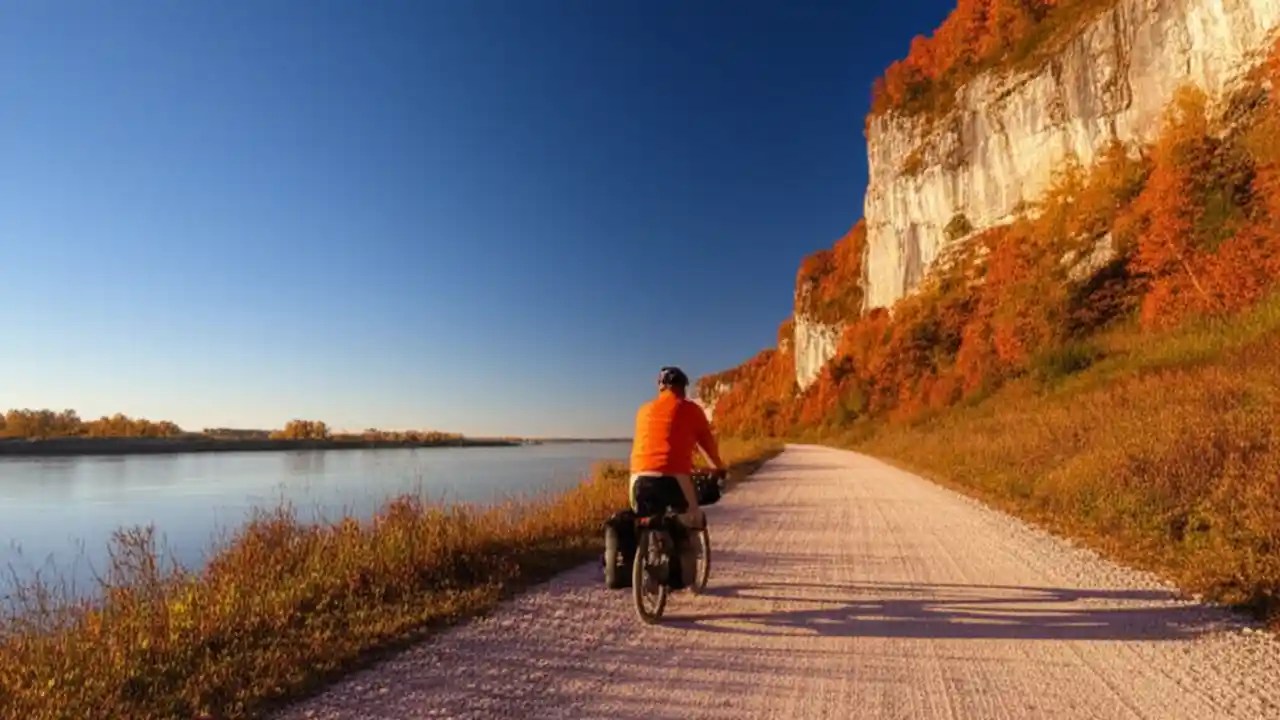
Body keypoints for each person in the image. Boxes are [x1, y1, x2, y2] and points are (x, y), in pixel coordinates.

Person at [629, 366, 727, 531]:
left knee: (643, 521)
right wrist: (718, 468)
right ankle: (688, 554)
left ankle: (641, 551)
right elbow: (707, 445)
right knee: (692, 522)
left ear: (660, 386)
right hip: (674, 479)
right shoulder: (692, 410)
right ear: (683, 388)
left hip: (638, 478)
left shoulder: (643, 410)